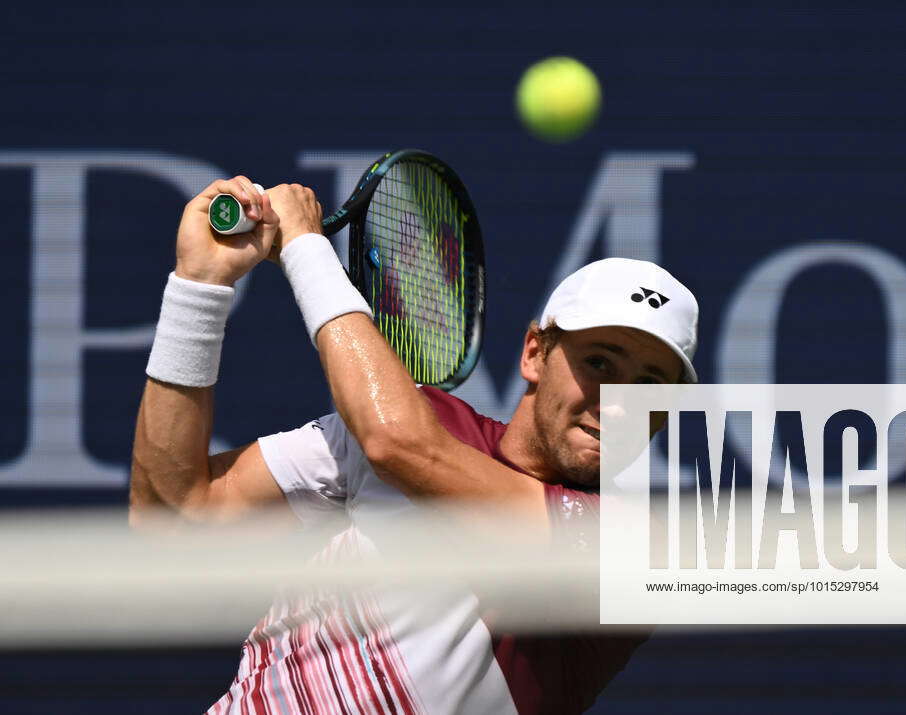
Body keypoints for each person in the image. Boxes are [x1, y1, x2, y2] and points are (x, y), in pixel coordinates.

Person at [130, 177, 699, 714]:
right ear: (533, 354)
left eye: (650, 385)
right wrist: (198, 288)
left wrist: (306, 249)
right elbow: (173, 520)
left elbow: (397, 444)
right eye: (598, 364)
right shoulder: (426, 420)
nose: (620, 401)